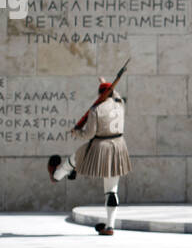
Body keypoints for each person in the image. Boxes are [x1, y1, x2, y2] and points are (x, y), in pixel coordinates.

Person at [48, 78, 131, 235]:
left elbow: (89, 134)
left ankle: (56, 175)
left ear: (100, 94)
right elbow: (116, 94)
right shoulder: (120, 104)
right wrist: (108, 83)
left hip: (101, 147)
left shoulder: (96, 110)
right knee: (112, 190)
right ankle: (109, 226)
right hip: (119, 147)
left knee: (75, 157)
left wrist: (76, 132)